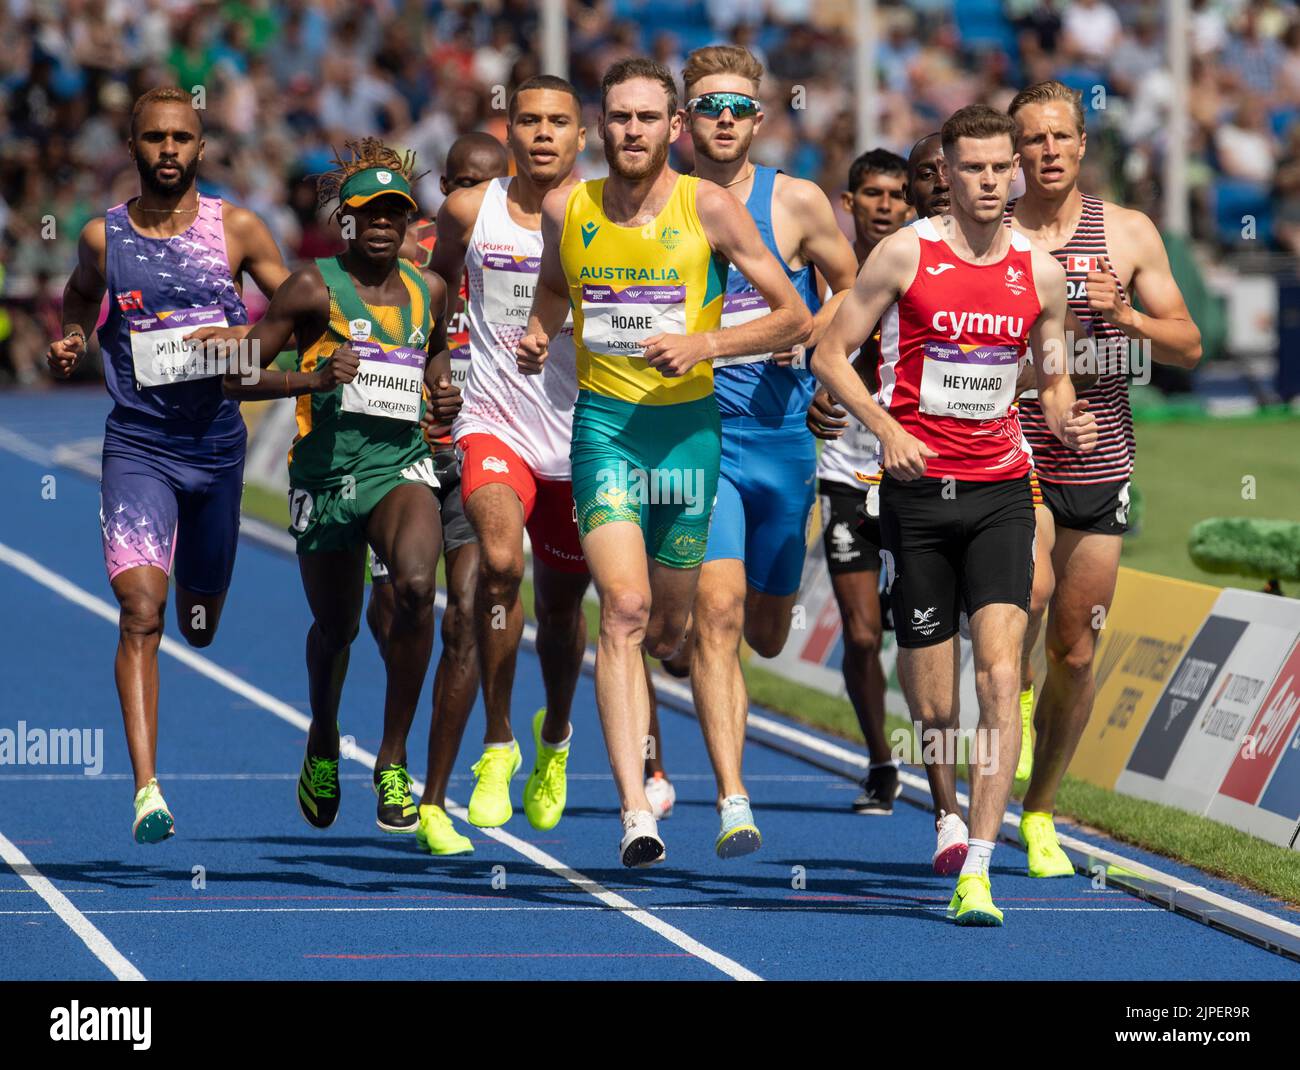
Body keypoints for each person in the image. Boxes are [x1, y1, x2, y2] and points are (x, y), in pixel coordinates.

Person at [806, 105, 1098, 925]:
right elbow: (829, 356)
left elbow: (1051, 371)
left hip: (1002, 488)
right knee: (933, 704)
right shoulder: (905, 253)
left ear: (1014, 170)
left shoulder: (1039, 271)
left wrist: (1064, 407)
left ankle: (979, 864)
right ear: (950, 170)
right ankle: (941, 800)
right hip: (917, 496)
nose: (989, 182)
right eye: (972, 168)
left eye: (1001, 168)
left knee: (1000, 672)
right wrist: (886, 428)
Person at [517, 57, 811, 866]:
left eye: (648, 118)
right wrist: (542, 330)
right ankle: (633, 812)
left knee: (673, 629)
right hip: (606, 432)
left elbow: (791, 315)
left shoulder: (709, 207)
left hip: (687, 438)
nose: (633, 132)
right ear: (600, 125)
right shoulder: (564, 207)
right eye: (619, 118)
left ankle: (702, 734)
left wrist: (707, 342)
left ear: (672, 127)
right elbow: (551, 286)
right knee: (622, 610)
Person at [46, 87, 288, 843]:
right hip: (140, 449)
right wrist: (72, 337)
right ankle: (148, 788)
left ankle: (203, 595)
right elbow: (79, 298)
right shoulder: (101, 237)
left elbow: (299, 308)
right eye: (153, 138)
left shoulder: (238, 229)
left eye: (181, 137)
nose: (168, 150)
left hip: (216, 451)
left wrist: (245, 347)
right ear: (132, 147)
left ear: (203, 147)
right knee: (141, 613)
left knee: (198, 620)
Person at [220, 138, 461, 835]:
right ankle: (322, 735)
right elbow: (235, 376)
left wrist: (440, 395)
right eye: (370, 214)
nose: (384, 226)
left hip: (399, 466)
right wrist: (311, 378)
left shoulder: (430, 289)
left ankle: (392, 758)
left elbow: (436, 358)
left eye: (396, 213)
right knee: (338, 626)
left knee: (416, 588)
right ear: (347, 222)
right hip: (325, 473)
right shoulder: (309, 287)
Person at [1005, 81, 1201, 877]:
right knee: (1030, 591)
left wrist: (1125, 321)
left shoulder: (1127, 232)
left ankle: (1042, 812)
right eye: (1033, 140)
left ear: (1082, 145)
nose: (1048, 152)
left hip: (1102, 458)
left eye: (1061, 137)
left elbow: (1186, 346)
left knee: (1078, 652)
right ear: (1014, 152)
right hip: (1012, 448)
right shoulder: (993, 236)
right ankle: (1006, 701)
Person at [678, 44, 858, 856]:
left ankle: (699, 634)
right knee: (716, 618)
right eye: (709, 105)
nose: (724, 118)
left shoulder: (799, 201)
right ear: (684, 118)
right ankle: (732, 799)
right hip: (694, 431)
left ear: (760, 116)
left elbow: (855, 289)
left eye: (737, 107)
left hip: (784, 438)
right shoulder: (659, 203)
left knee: (767, 632)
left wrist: (812, 335)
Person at [431, 76, 591, 833]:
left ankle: (553, 734)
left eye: (559, 122)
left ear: (580, 137)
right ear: (511, 129)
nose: (543, 134)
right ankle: (497, 741)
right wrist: (433, 363)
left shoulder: (608, 220)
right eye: (529, 120)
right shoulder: (471, 207)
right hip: (493, 422)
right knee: (498, 564)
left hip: (583, 434)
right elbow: (434, 282)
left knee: (562, 611)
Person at [363, 132, 509, 855]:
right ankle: (390, 749)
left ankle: (435, 795)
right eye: (457, 183)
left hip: (482, 459)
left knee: (469, 618)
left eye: (484, 184)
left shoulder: (526, 257)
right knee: (397, 612)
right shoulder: (411, 265)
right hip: (404, 463)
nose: (470, 199)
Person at [805, 143, 924, 816]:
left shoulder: (918, 267)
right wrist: (814, 401)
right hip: (843, 472)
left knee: (917, 625)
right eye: (872, 194)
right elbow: (800, 353)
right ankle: (881, 760)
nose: (886, 205)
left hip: (911, 467)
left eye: (897, 194)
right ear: (848, 203)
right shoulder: (820, 274)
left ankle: (937, 755)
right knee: (858, 633)